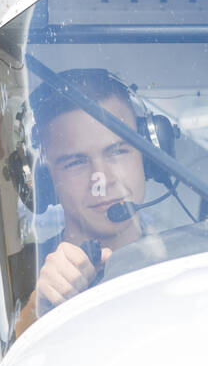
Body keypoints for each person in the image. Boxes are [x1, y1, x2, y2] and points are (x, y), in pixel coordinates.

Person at [13, 69, 154, 336]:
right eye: (76, 162)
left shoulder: (193, 255)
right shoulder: (8, 276)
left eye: (118, 151)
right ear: (43, 178)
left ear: (147, 156)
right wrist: (37, 308)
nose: (102, 180)